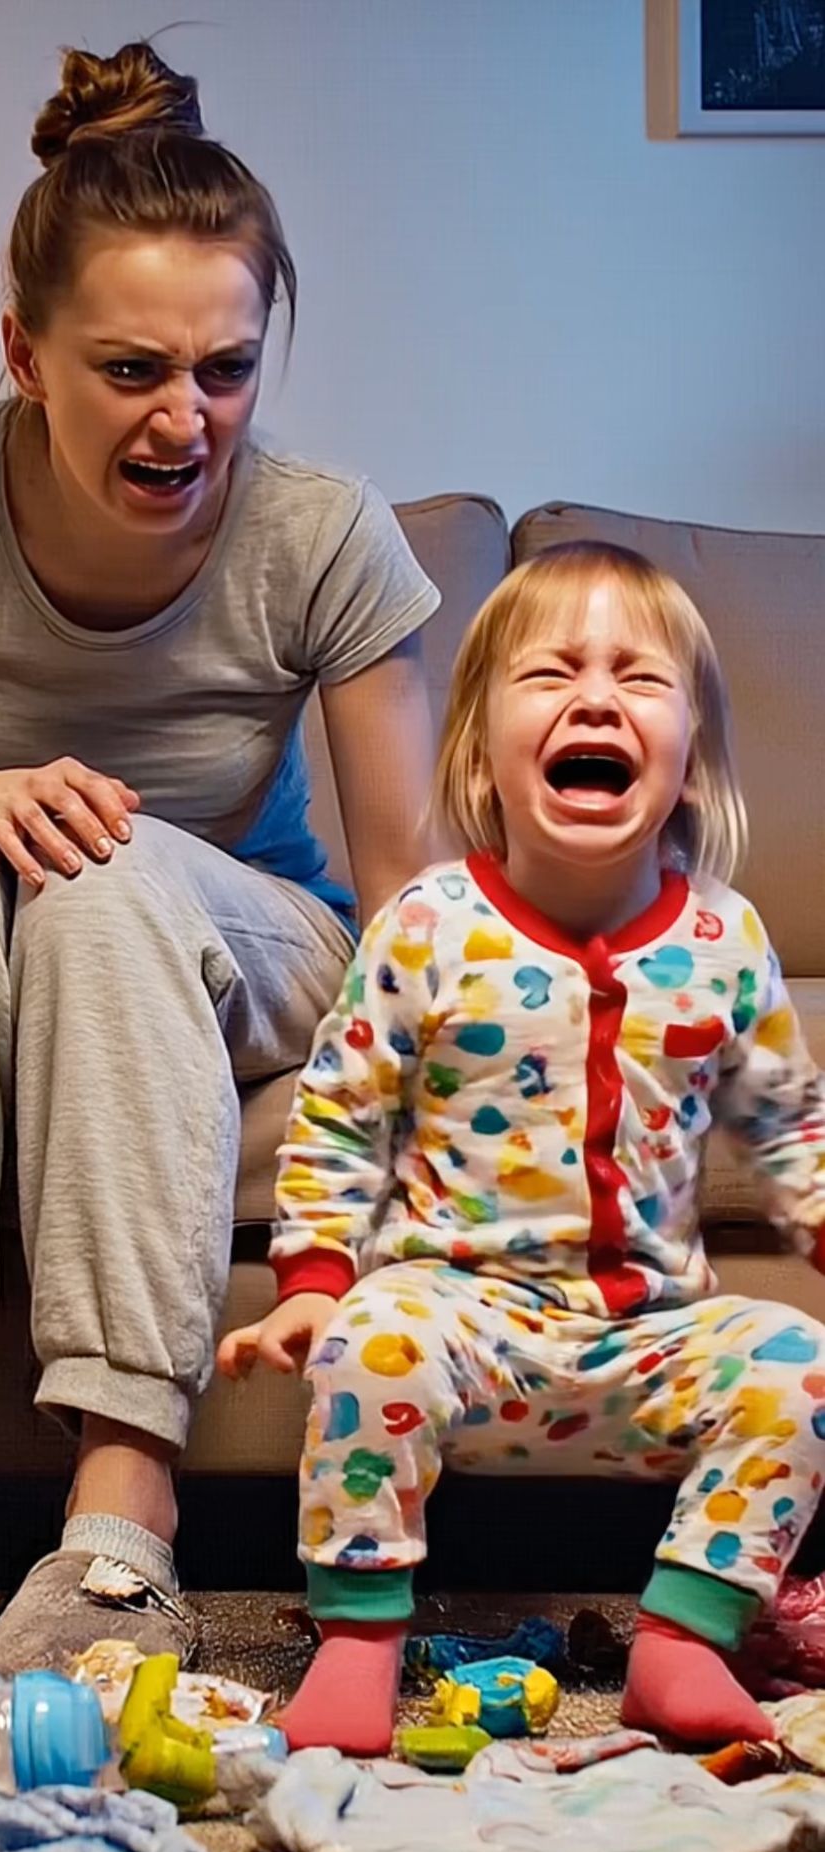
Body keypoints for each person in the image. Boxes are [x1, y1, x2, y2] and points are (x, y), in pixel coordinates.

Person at [0, 42, 441, 1686]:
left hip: (253, 938)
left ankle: (123, 1524)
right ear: (24, 353)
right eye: (132, 369)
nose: (183, 418)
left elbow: (417, 902)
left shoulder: (321, 533)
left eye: (226, 369)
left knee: (109, 874)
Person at [219, 540, 825, 1754]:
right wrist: (314, 1281)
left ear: (692, 760)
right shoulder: (429, 924)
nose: (595, 699)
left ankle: (681, 1644)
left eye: (638, 678)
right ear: (478, 753)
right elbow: (340, 1114)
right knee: (368, 1343)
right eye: (551, 674)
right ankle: (357, 1644)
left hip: (651, 1337)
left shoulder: (724, 936)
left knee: (799, 1366)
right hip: (458, 1318)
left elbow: (788, 1122)